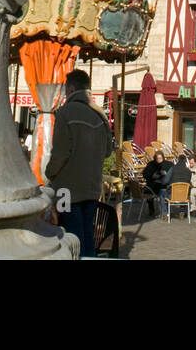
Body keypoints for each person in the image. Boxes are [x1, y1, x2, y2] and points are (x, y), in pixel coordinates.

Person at [44, 68, 113, 258]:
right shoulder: (100, 116)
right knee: (87, 235)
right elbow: (107, 151)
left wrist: (49, 173)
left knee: (71, 236)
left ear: (71, 88)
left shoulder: (65, 113)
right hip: (92, 188)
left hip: (67, 189)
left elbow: (60, 153)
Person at [142, 149, 173, 214]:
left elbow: (172, 175)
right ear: (155, 158)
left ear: (163, 158)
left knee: (164, 191)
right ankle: (151, 209)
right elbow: (145, 174)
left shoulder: (168, 164)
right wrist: (152, 176)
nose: (159, 160)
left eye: (160, 158)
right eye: (157, 158)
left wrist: (165, 174)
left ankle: (165, 212)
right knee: (149, 190)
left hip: (164, 185)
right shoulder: (151, 164)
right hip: (152, 185)